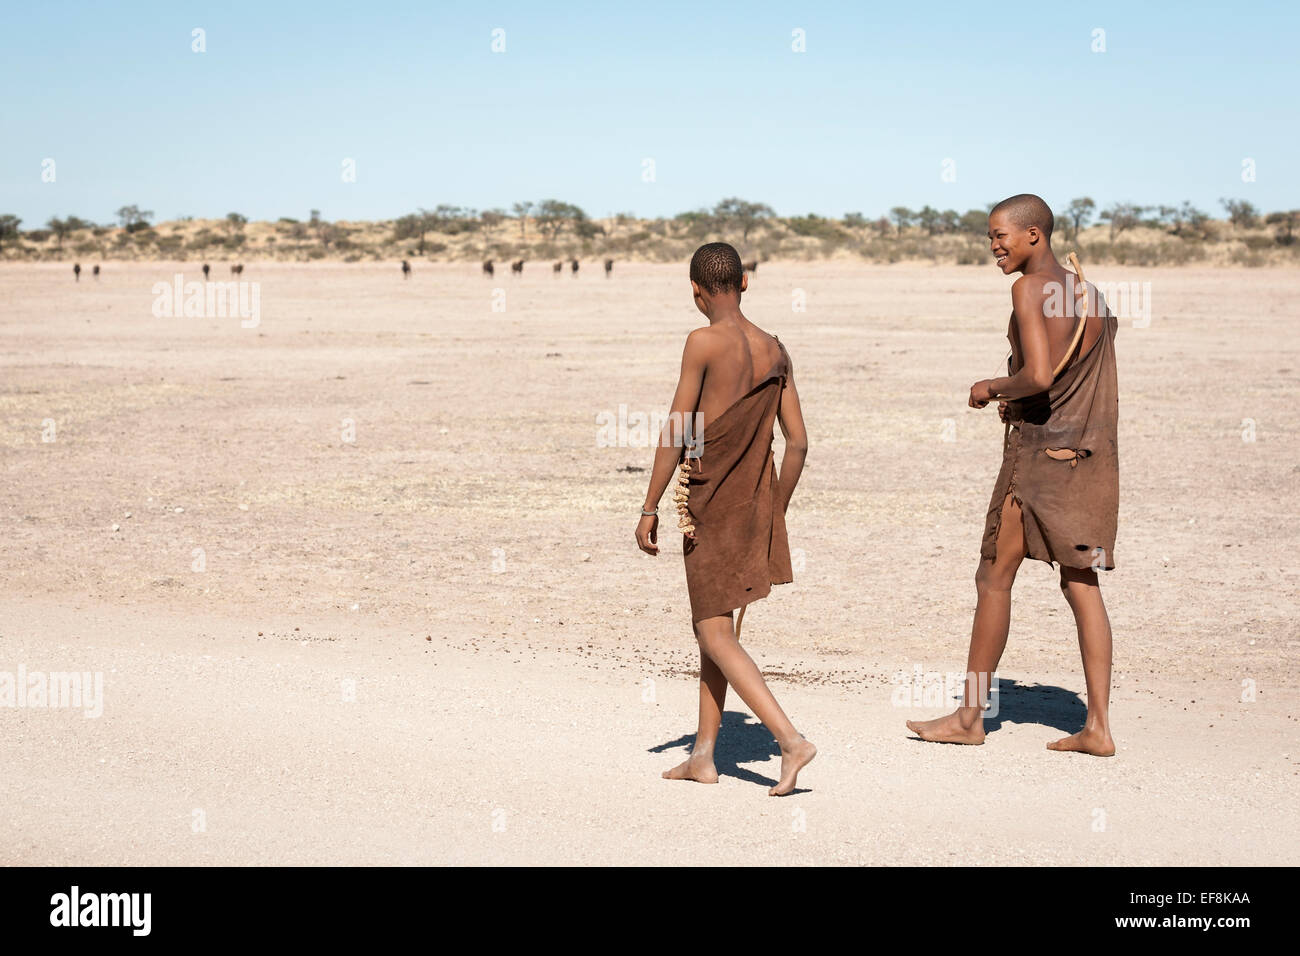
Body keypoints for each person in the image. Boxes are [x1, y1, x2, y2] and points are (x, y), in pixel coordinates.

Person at [907, 194, 1119, 756]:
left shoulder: (1028, 289)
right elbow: (1068, 373)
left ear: (1035, 236)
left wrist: (992, 388)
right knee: (1082, 583)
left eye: (1001, 235)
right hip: (1087, 457)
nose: (994, 246)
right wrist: (1021, 392)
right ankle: (1097, 727)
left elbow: (1041, 375)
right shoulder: (1089, 292)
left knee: (993, 577)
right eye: (990, 237)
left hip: (1037, 460)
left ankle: (970, 716)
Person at [636, 242, 816, 794]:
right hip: (755, 503)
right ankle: (705, 755)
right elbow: (799, 444)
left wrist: (648, 505)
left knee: (713, 631)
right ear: (745, 283)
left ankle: (790, 741)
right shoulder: (776, 349)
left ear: (695, 291)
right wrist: (774, 508)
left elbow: (680, 430)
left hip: (709, 505)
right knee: (712, 630)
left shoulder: (703, 342)